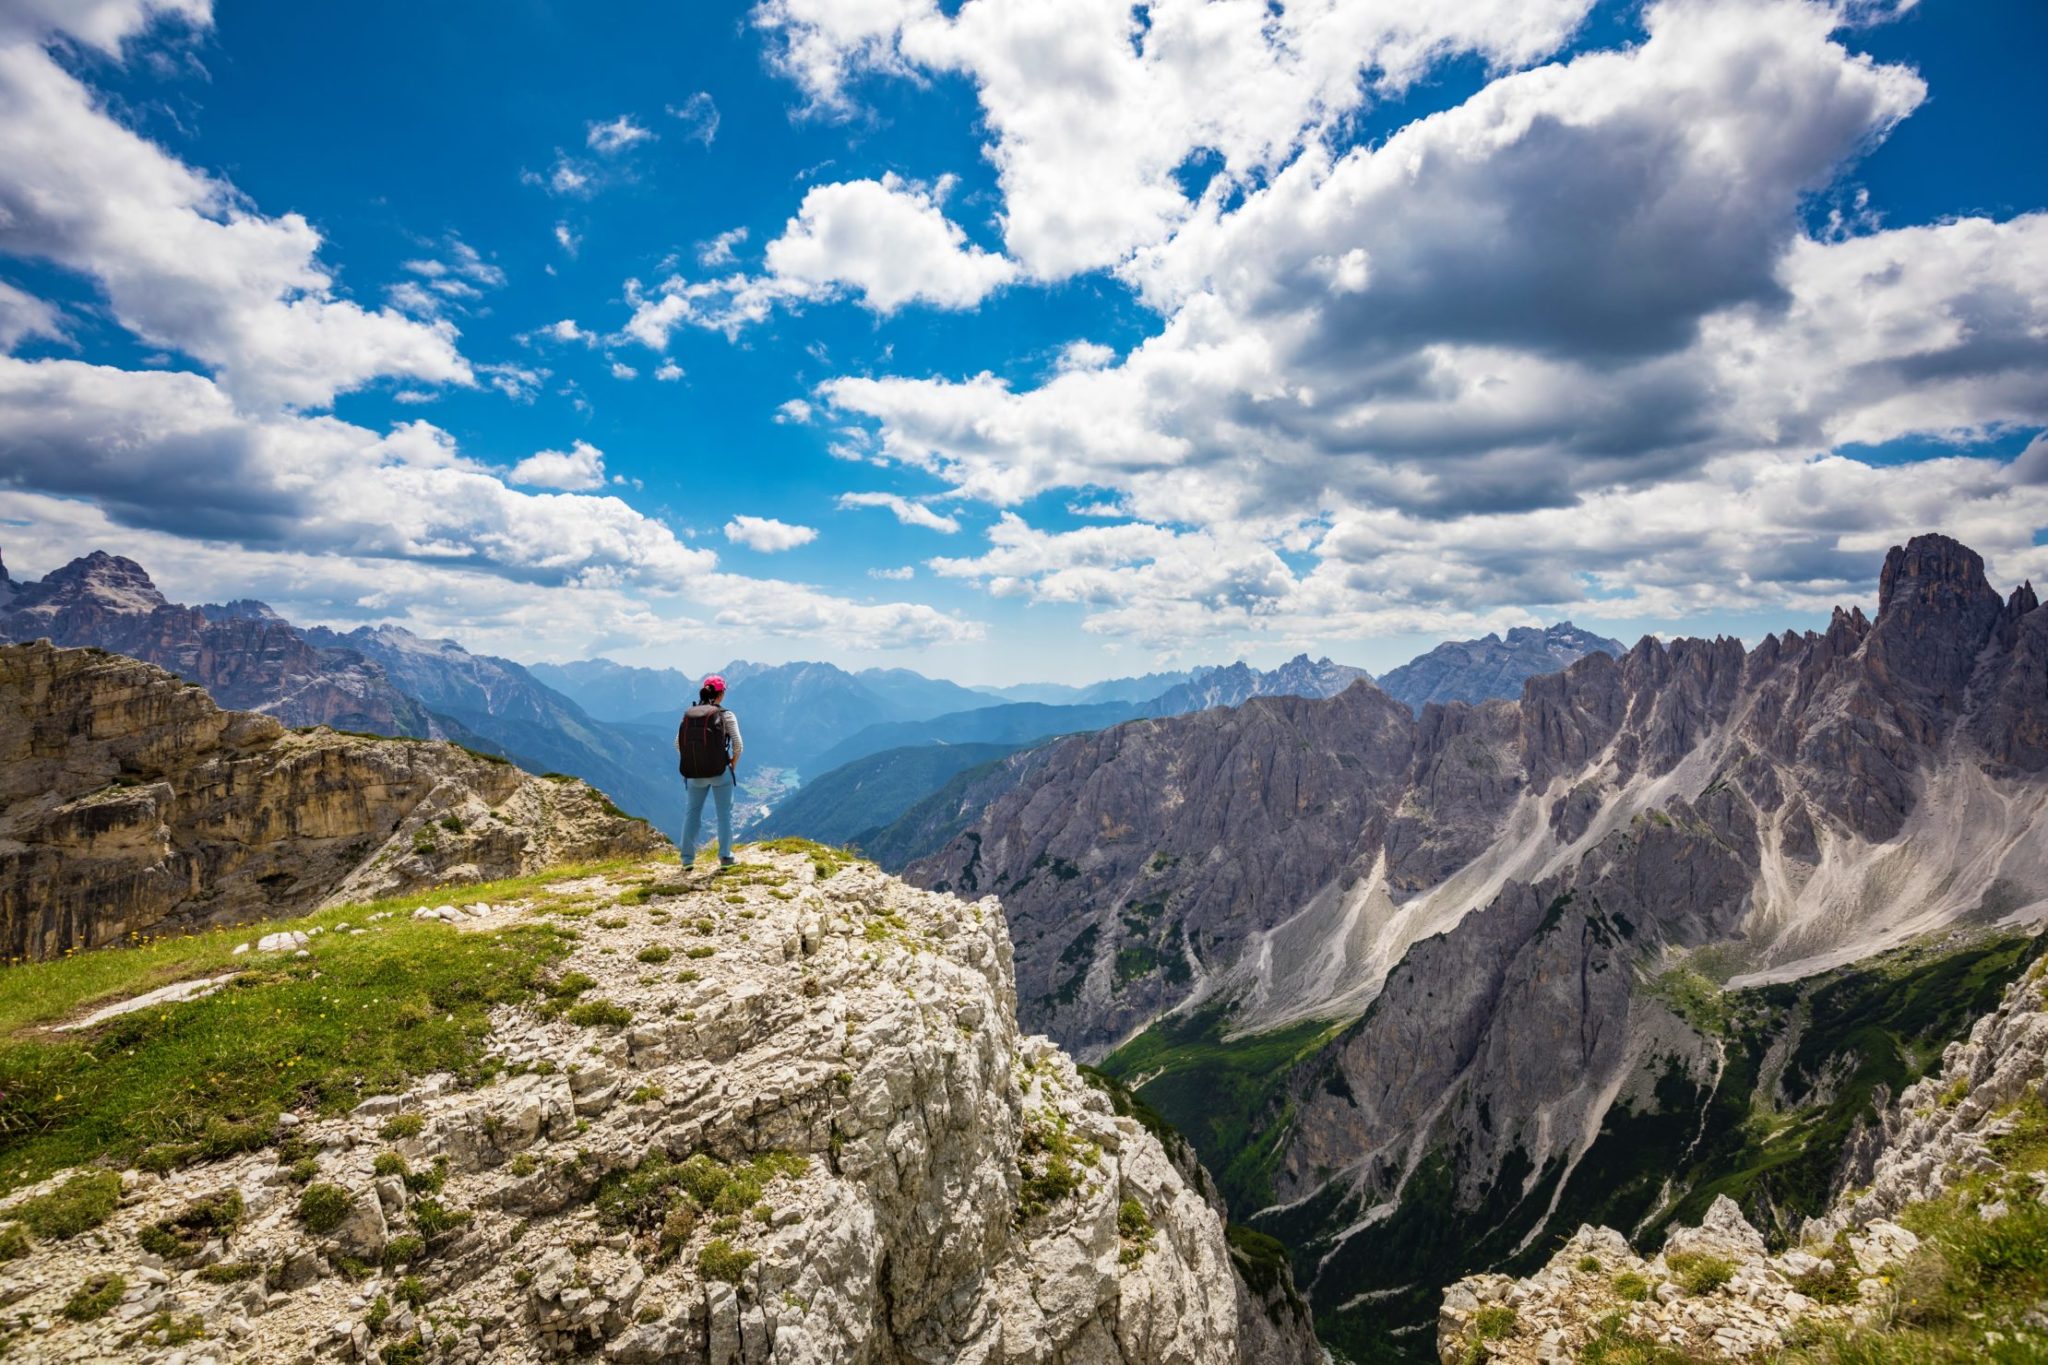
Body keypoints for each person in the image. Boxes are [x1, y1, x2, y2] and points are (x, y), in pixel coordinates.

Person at [676, 674, 742, 867]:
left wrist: (694, 761)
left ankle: (687, 859)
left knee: (692, 813)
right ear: (721, 694)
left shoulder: (689, 715)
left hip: (695, 774)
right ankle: (726, 857)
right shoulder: (726, 715)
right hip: (719, 772)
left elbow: (677, 744)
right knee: (724, 814)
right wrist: (731, 764)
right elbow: (738, 746)